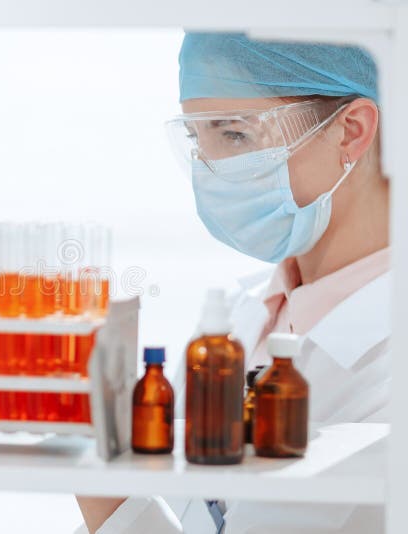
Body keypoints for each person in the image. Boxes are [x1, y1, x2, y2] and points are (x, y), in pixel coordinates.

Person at [77, 32, 389, 533]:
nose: (211, 171)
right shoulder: (240, 321)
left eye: (235, 136)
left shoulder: (392, 367)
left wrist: (100, 482)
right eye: (199, 141)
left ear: (350, 130)